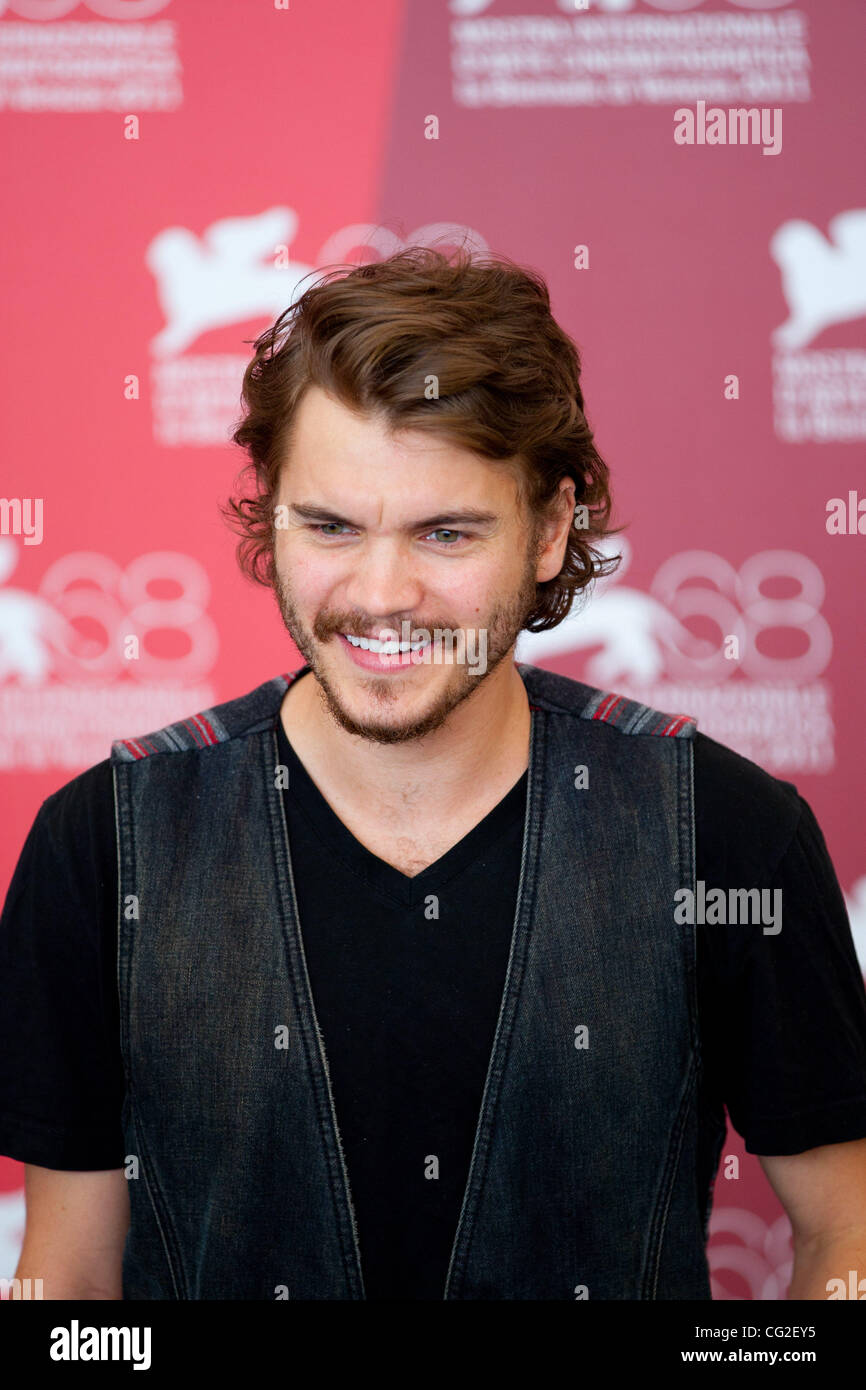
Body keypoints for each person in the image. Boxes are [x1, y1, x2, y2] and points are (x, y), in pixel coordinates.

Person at [3, 247, 866, 1301]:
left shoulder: (724, 833)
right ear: (269, 517)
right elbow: (69, 1288)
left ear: (549, 529)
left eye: (444, 532)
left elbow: (843, 1243)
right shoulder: (106, 844)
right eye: (328, 526)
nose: (380, 595)